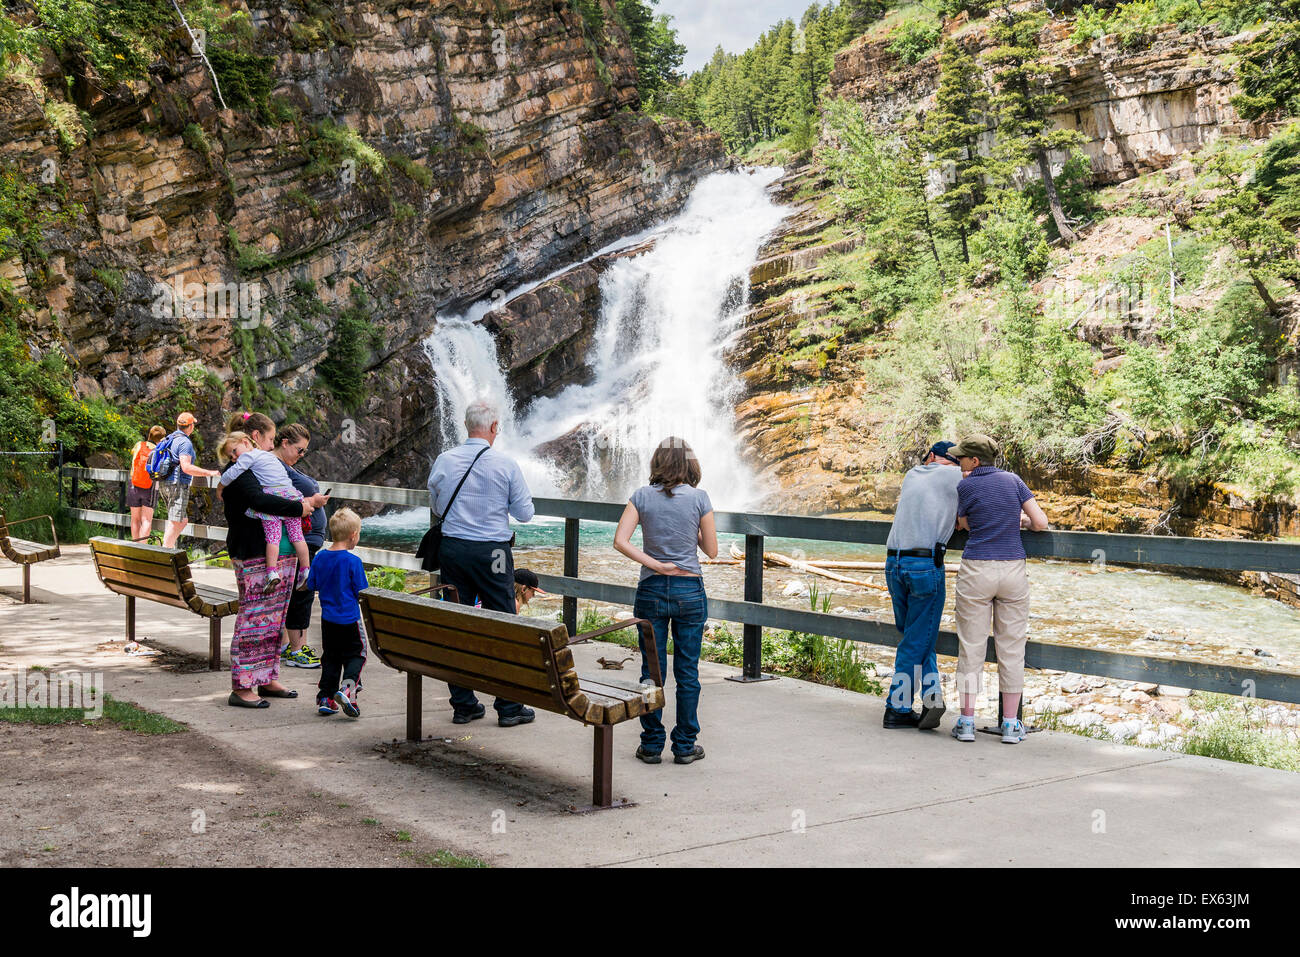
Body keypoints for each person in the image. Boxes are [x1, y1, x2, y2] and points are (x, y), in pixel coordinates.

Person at [426, 398, 536, 726]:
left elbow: (436, 503)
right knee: (504, 623)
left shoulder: (444, 460)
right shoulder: (505, 464)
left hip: (455, 550)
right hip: (495, 554)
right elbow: (525, 514)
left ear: (465, 426)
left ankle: (463, 703)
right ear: (493, 427)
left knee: (459, 622)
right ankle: (509, 706)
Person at [613, 436, 718, 766]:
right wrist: (689, 530)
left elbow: (620, 541)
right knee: (688, 672)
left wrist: (655, 564)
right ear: (689, 463)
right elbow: (712, 550)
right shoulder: (700, 498)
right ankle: (685, 745)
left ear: (657, 462)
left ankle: (651, 743)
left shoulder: (641, 497)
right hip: (689, 592)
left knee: (651, 672)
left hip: (652, 590)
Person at [948, 434, 1050, 745]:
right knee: (1012, 648)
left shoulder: (966, 486)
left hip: (977, 569)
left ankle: (966, 722)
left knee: (972, 646)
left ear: (975, 462)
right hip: (1012, 571)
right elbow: (1041, 523)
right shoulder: (1014, 480)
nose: (958, 462)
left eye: (962, 458)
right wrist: (1018, 521)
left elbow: (962, 523)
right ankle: (1009, 725)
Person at [220, 420, 329, 708]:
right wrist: (301, 507)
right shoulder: (240, 470)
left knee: (275, 619)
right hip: (254, 552)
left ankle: (267, 677)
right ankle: (242, 686)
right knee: (253, 619)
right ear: (253, 438)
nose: (272, 445)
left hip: (283, 553)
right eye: (269, 440)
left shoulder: (263, 465)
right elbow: (260, 500)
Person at [882, 440, 963, 730]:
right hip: (924, 566)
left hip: (894, 563)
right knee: (915, 640)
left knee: (916, 635)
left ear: (930, 457)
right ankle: (897, 708)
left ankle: (932, 696)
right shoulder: (958, 477)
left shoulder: (912, 474)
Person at [217, 432, 312, 594]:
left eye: (234, 451)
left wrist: (220, 486)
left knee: (273, 538)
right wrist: (299, 508)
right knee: (297, 536)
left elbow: (236, 476)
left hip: (275, 496)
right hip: (292, 494)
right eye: (230, 456)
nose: (234, 458)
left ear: (246, 442)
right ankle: (306, 570)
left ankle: (271, 571)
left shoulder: (247, 458)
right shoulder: (267, 456)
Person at [305, 508, 369, 718]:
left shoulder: (320, 557)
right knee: (357, 655)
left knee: (331, 657)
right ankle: (348, 689)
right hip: (350, 619)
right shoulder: (353, 562)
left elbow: (312, 584)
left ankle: (326, 698)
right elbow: (361, 591)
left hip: (328, 620)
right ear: (353, 536)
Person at [276, 424, 326, 669]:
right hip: (300, 541)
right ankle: (297, 649)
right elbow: (282, 500)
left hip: (306, 540)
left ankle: (288, 646)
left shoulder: (285, 468)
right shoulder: (277, 469)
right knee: (301, 593)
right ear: (284, 442)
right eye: (299, 449)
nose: (302, 455)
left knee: (298, 593)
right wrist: (311, 500)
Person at [160, 412, 220, 548]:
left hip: (165, 482)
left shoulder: (170, 438)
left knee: (180, 520)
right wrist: (208, 472)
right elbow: (186, 467)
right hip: (177, 484)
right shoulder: (184, 442)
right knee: (176, 521)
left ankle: (167, 550)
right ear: (190, 426)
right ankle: (165, 553)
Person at [127, 425, 166, 542]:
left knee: (135, 519)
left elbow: (133, 455)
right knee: (146, 520)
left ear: (149, 435)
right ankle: (142, 548)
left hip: (134, 484)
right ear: (161, 439)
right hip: (150, 487)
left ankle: (135, 546)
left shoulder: (139, 445)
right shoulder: (160, 451)